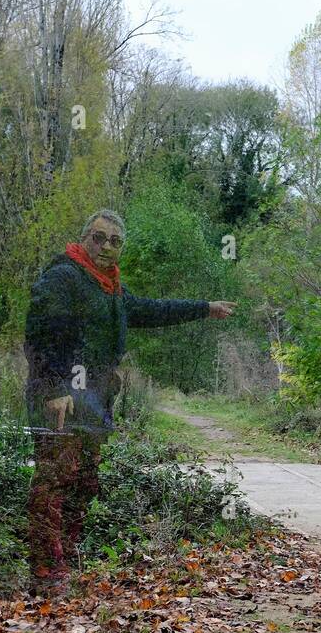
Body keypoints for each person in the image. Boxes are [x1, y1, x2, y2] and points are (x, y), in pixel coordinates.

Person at [23, 209, 235, 591]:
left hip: (93, 402)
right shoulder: (62, 278)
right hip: (60, 400)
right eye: (99, 238)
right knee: (53, 481)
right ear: (84, 238)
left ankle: (63, 558)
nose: (106, 247)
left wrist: (205, 308)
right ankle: (44, 569)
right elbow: (39, 336)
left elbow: (152, 310)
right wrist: (54, 389)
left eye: (115, 241)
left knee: (83, 483)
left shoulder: (112, 289)